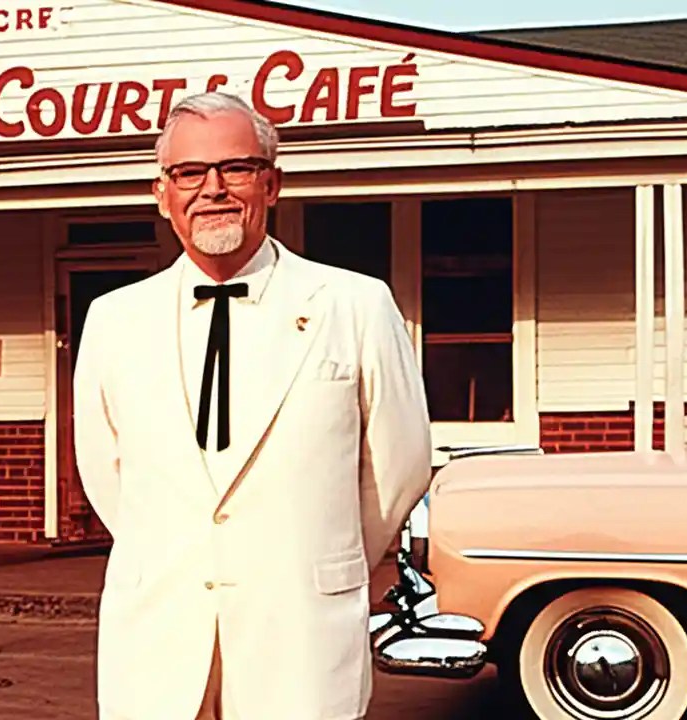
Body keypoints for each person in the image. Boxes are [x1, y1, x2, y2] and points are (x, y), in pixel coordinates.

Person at [72, 91, 433, 720]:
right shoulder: (113, 319)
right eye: (189, 172)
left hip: (299, 637)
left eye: (235, 168)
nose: (212, 188)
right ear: (163, 194)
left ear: (271, 183)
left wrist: (312, 552)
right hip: (158, 643)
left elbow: (399, 469)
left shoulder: (354, 304)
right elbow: (108, 477)